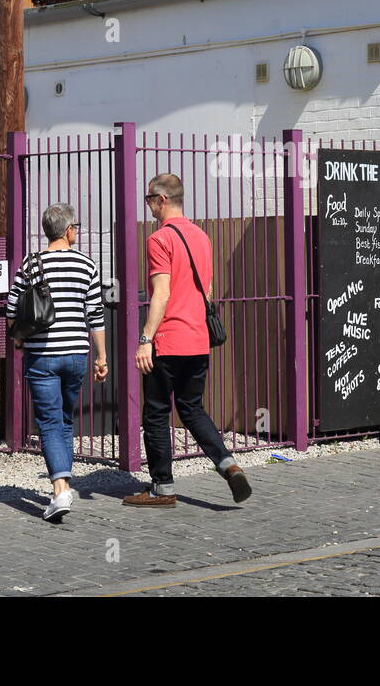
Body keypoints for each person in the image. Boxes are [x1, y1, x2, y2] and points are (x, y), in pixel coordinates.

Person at [123, 173, 251, 508]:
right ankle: (228, 463)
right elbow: (205, 290)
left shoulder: (160, 239)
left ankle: (162, 488)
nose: (148, 205)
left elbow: (161, 294)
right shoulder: (201, 237)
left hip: (167, 339)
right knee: (192, 408)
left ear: (162, 200)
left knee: (155, 413)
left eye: (150, 199)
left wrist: (145, 338)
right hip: (197, 339)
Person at [6, 204, 108, 522]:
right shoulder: (86, 265)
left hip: (43, 355)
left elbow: (12, 309)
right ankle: (63, 485)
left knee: (49, 422)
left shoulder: (31, 264)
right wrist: (102, 356)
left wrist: (19, 339)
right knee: (64, 420)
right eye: (76, 225)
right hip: (77, 355)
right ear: (68, 230)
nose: (77, 230)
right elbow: (96, 315)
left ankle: (60, 489)